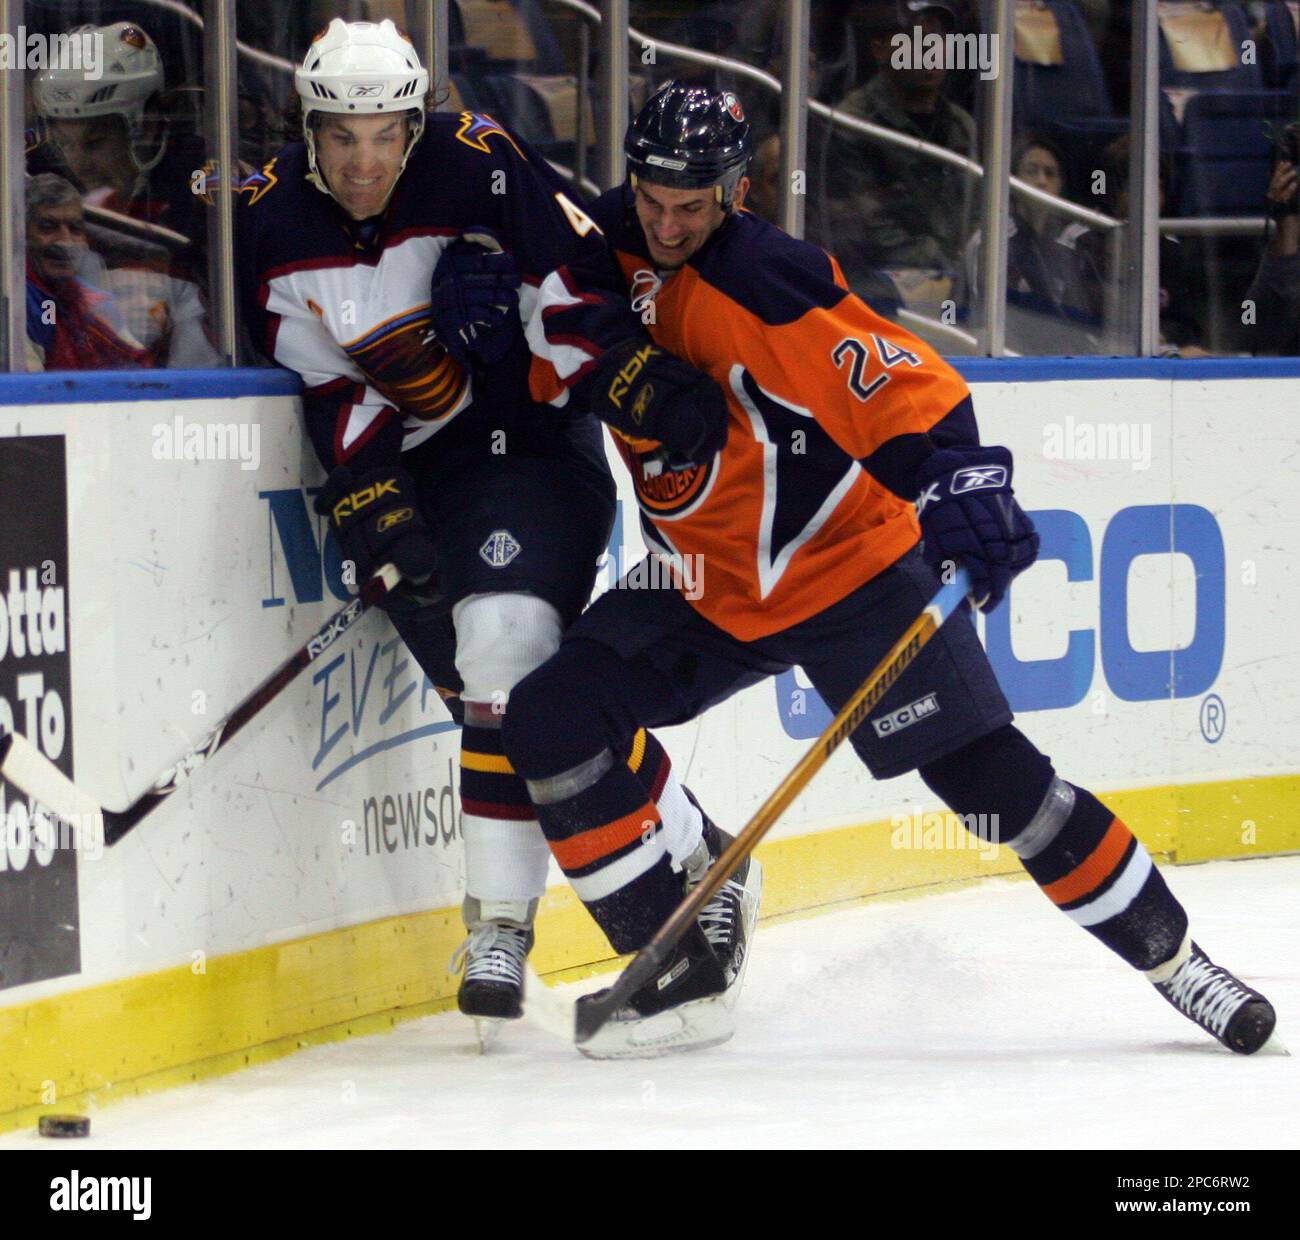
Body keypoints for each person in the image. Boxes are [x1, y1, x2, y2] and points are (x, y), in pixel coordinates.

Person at [504, 81, 1278, 1059]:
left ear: (735, 193)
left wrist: (961, 482)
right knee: (550, 717)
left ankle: (1180, 963)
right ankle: (681, 962)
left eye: (689, 208)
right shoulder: (601, 247)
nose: (665, 223)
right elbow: (542, 292)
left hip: (850, 575)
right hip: (702, 586)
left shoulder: (768, 281)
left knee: (1001, 788)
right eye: (650, 200)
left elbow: (904, 389)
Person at [236, 20, 719, 1045]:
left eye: (384, 136)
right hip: (425, 472)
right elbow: (323, 381)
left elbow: (576, 280)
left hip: (532, 447)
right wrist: (369, 496)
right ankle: (705, 851)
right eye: (341, 138)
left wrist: (620, 376)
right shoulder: (271, 222)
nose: (363, 162)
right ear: (308, 130)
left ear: (415, 125)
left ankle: (499, 928)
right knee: (509, 713)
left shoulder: (479, 163)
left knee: (502, 654)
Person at [31, 20, 219, 368]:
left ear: (145, 124)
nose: (78, 164)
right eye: (64, 143)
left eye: (95, 143)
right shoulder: (40, 179)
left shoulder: (201, 187)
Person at [962, 133, 1105, 353]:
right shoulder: (989, 240)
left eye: (1050, 174)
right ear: (1013, 180)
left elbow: (1094, 316)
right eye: (1031, 171)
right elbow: (983, 316)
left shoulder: (1080, 240)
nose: (1041, 181)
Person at [25, 172, 153, 371]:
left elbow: (139, 368)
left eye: (75, 229)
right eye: (48, 227)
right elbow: (30, 390)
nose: (65, 242)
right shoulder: (13, 304)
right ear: (22, 234)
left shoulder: (93, 303)